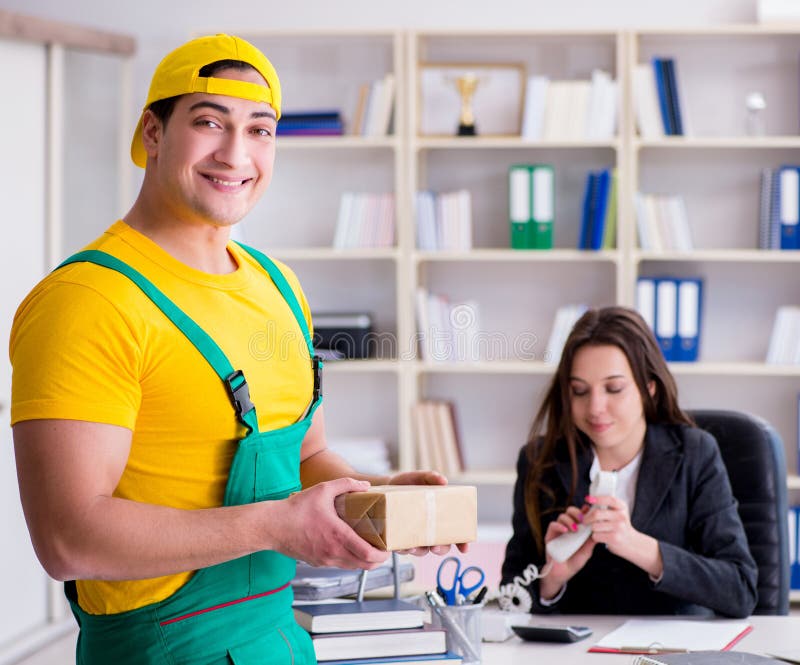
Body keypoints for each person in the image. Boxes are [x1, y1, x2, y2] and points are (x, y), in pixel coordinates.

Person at [10, 34, 462, 664]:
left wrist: (379, 504)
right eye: (209, 122)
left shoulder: (279, 287)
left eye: (260, 130)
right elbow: (68, 539)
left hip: (279, 640)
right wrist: (277, 526)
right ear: (152, 132)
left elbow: (308, 457)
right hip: (163, 650)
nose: (236, 153)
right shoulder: (88, 301)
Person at [500, 306, 757, 618]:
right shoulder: (540, 461)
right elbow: (509, 596)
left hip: (673, 651)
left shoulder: (695, 453)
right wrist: (552, 578)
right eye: (579, 391)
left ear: (649, 388)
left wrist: (638, 546)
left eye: (614, 388)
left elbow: (740, 589)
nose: (595, 408)